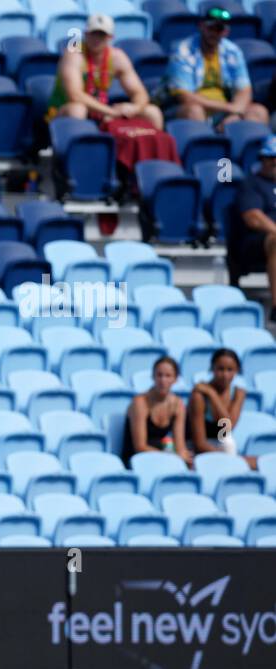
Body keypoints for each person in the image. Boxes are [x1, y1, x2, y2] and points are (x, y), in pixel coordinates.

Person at [48, 15, 163, 129]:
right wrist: (111, 112)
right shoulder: (74, 54)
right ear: (86, 34)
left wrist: (133, 108)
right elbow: (75, 96)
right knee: (78, 110)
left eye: (101, 35)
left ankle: (157, 144)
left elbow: (140, 93)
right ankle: (73, 146)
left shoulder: (117, 57)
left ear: (110, 37)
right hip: (63, 111)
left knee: (153, 112)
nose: (96, 39)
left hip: (100, 110)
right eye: (93, 34)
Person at [167, 7, 268, 129]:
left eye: (219, 29)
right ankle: (203, 146)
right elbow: (185, 97)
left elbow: (244, 90)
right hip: (186, 109)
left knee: (259, 111)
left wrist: (235, 113)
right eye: (211, 27)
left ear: (226, 32)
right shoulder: (183, 51)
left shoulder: (232, 51)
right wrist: (229, 108)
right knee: (194, 111)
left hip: (224, 110)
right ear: (201, 26)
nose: (214, 33)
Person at [228, 135, 276, 311]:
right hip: (256, 243)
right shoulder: (251, 184)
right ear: (262, 159)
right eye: (271, 158)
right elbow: (253, 218)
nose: (274, 162)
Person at [189, 347, 258, 466]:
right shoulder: (199, 396)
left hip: (222, 445)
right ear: (212, 369)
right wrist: (227, 459)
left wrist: (212, 395)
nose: (225, 375)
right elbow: (199, 443)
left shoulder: (238, 393)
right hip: (199, 449)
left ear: (237, 370)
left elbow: (227, 428)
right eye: (220, 369)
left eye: (230, 370)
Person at [123, 356, 192, 467]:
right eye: (159, 375)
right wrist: (171, 457)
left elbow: (180, 446)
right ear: (153, 377)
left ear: (175, 379)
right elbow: (140, 446)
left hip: (162, 456)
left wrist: (183, 457)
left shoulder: (177, 404)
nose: (163, 380)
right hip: (137, 459)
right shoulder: (140, 403)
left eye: (168, 376)